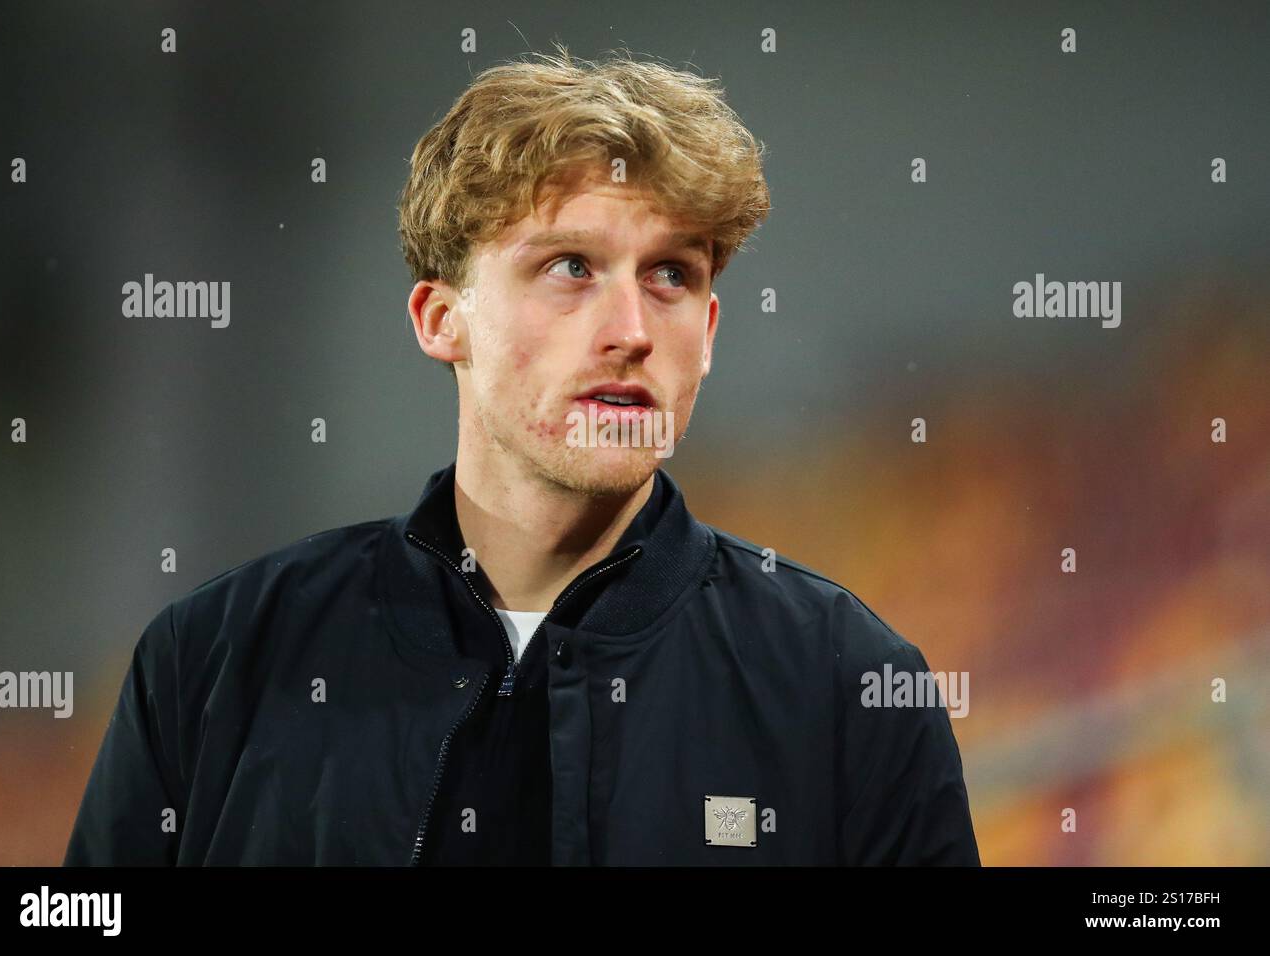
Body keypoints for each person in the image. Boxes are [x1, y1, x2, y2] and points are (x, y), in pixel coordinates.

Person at [64, 46, 981, 866]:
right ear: (441, 319)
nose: (630, 331)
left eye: (672, 275)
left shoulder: (848, 684)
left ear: (707, 331)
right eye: (570, 267)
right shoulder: (212, 660)